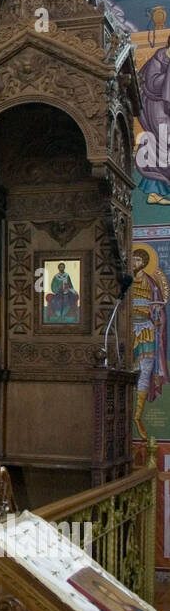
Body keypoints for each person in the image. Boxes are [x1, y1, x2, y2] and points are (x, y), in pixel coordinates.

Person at [132, 246, 169, 441]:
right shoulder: (125, 283)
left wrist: (156, 314)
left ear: (144, 263)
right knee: (127, 369)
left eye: (138, 260)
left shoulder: (151, 284)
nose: (134, 263)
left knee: (145, 371)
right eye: (132, 259)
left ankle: (137, 416)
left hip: (146, 330)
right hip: (126, 332)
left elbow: (158, 308)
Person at [136, 36, 170, 203]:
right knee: (162, 143)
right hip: (155, 107)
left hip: (166, 107)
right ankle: (154, 192)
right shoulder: (160, 57)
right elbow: (151, 85)